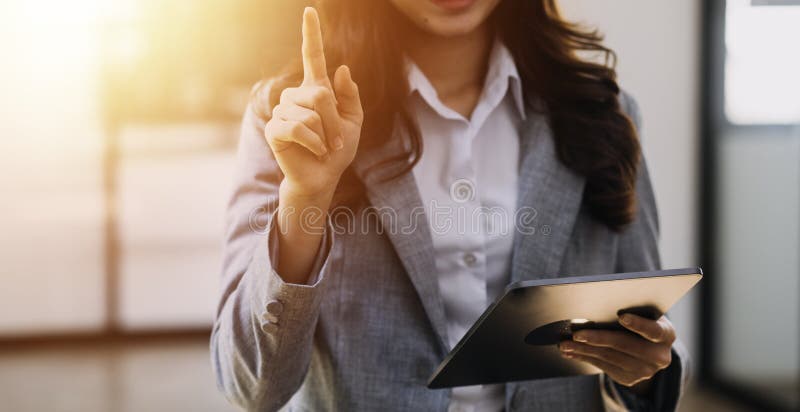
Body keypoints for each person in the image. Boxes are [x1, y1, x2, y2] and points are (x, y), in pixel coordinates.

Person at [211, 1, 688, 410]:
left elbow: (645, 320)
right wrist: (305, 199)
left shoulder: (602, 114)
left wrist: (647, 367)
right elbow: (251, 386)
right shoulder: (292, 120)